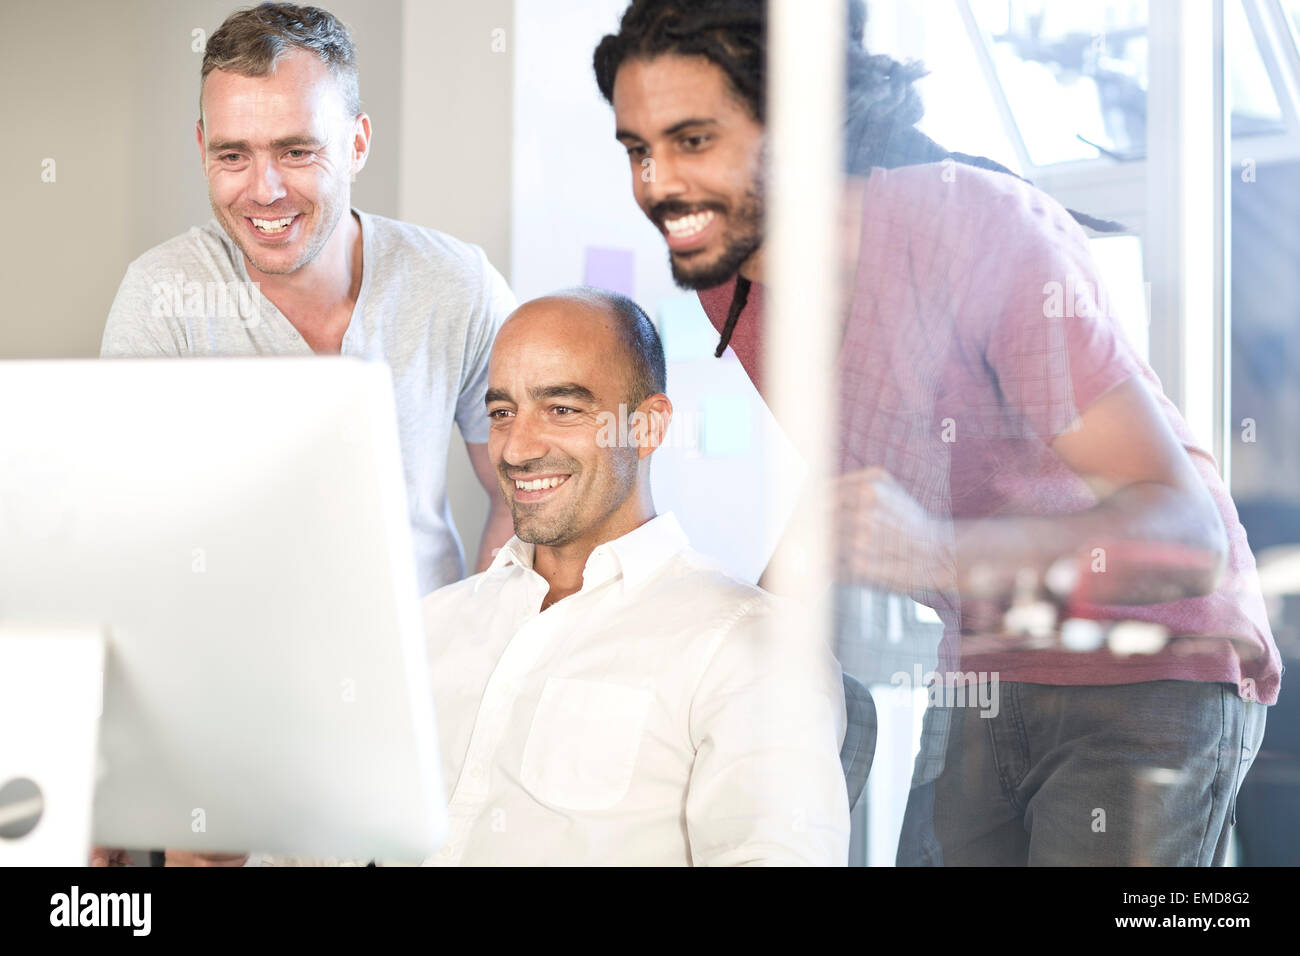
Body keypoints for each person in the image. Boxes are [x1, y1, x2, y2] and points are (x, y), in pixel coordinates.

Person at [593, 0, 1281, 865]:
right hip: (984, 672)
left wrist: (940, 554)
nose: (656, 185)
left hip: (1153, 664)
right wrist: (729, 648)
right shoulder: (732, 280)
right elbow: (860, 469)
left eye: (693, 141)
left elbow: (1187, 539)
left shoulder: (974, 228)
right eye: (637, 149)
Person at [414, 288, 848, 865]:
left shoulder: (748, 645)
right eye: (502, 413)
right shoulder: (429, 626)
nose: (516, 449)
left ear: (645, 427)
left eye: (562, 409)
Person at [100, 3, 514, 594]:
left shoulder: (457, 284)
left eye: (296, 151)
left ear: (357, 143)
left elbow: (522, 493)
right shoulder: (162, 298)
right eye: (232, 155)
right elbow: (127, 528)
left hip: (423, 664)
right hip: (233, 666)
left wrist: (472, 647)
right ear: (202, 150)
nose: (264, 191)